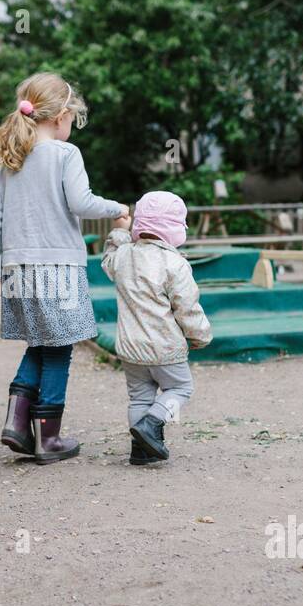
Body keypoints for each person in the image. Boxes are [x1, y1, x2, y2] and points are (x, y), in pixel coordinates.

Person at [0, 72, 128, 464]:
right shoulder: (65, 155)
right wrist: (119, 209)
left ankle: (16, 422)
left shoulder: (7, 159)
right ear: (61, 115)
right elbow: (81, 202)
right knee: (59, 349)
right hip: (57, 268)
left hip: (17, 270)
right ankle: (49, 437)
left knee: (40, 342)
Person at [101, 192, 212, 465]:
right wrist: (200, 336)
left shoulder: (124, 256)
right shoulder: (175, 264)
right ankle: (153, 423)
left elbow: (108, 258)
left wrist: (119, 232)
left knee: (139, 397)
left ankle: (140, 450)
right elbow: (187, 307)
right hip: (165, 348)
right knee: (181, 389)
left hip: (130, 349)